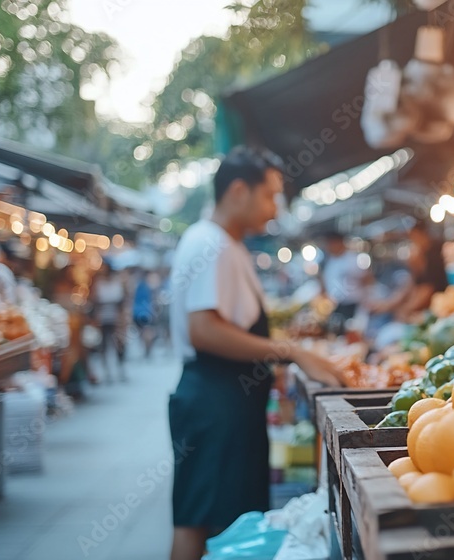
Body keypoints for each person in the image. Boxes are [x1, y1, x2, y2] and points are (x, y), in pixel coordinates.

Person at [167, 146, 344, 560]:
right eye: (270, 195)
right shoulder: (207, 244)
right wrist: (290, 352)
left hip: (228, 402)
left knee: (226, 518)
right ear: (239, 191)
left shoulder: (228, 245)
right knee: (197, 518)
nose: (274, 208)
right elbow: (205, 329)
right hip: (213, 403)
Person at [318, 231, 369, 335]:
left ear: (340, 242)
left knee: (352, 333)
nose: (329, 247)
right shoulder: (330, 261)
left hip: (353, 306)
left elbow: (368, 280)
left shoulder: (353, 259)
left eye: (331, 243)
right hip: (336, 306)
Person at [89, 262, 126, 383]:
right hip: (103, 318)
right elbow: (95, 301)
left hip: (115, 318)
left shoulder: (116, 283)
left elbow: (121, 302)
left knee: (118, 345)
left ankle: (120, 370)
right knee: (104, 346)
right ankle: (108, 372)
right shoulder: (99, 284)